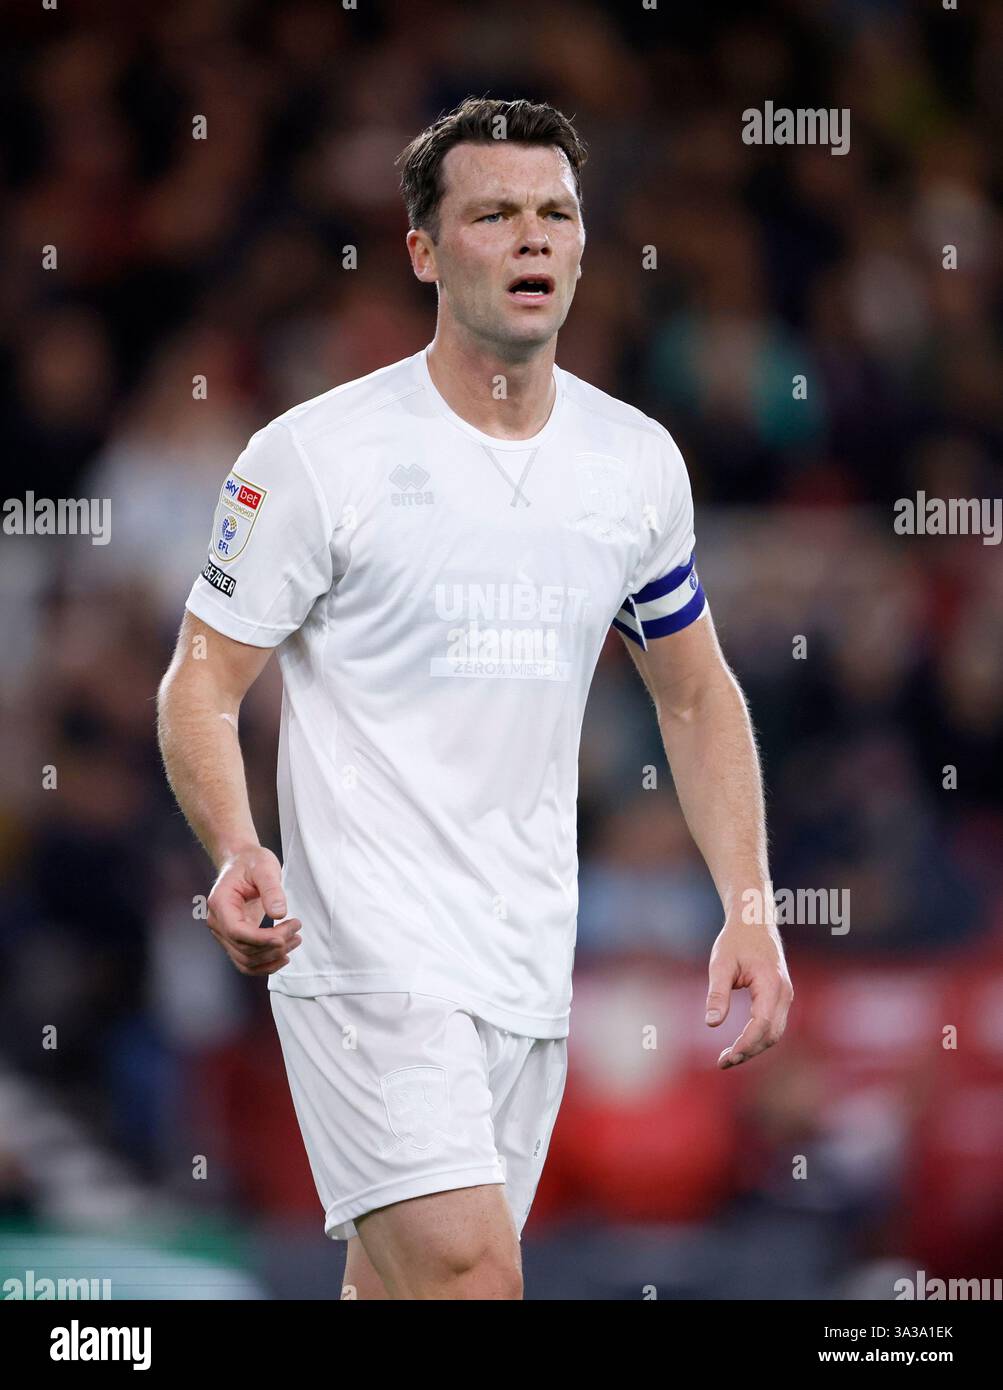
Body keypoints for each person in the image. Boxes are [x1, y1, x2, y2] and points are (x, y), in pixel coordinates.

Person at [156, 96, 793, 1301]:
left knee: (401, 1290)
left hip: (524, 958)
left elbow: (698, 695)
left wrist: (747, 904)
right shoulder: (315, 458)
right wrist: (236, 843)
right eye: (493, 215)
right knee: (468, 1279)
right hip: (363, 952)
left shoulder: (633, 464)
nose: (532, 239)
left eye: (555, 213)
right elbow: (201, 680)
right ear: (423, 251)